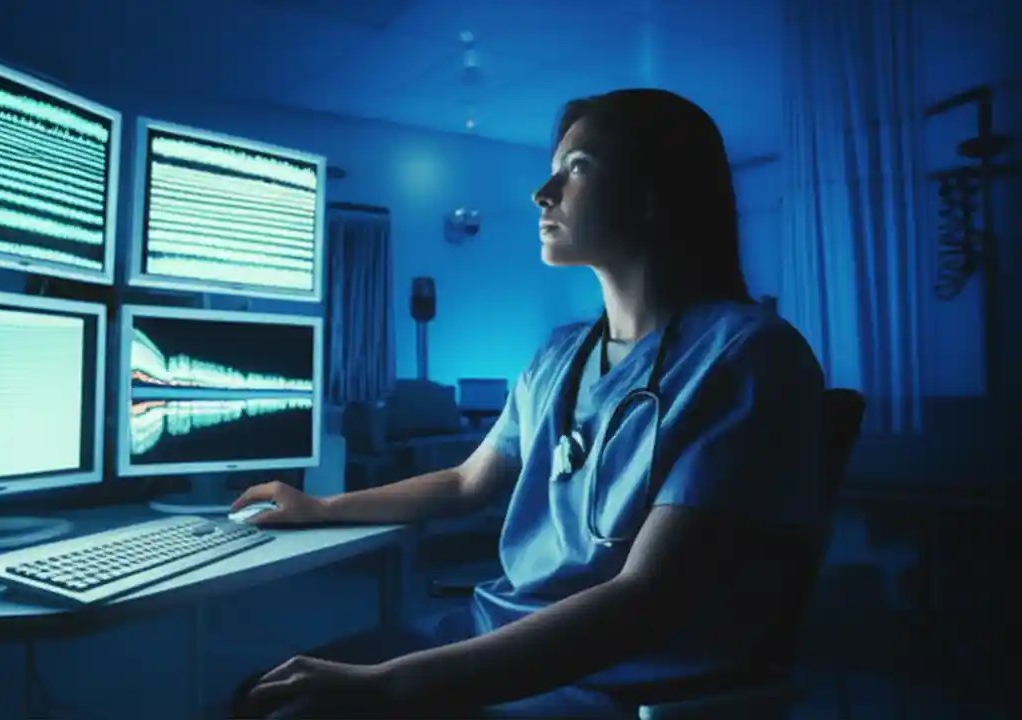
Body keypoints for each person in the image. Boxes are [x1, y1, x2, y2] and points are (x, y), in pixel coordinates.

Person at [232, 89, 826, 719]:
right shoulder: (558, 356)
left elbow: (646, 599)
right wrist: (322, 506)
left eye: (576, 167)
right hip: (496, 632)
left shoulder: (746, 356)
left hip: (620, 676)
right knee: (257, 695)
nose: (543, 193)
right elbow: (466, 483)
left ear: (657, 193)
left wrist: (391, 685)